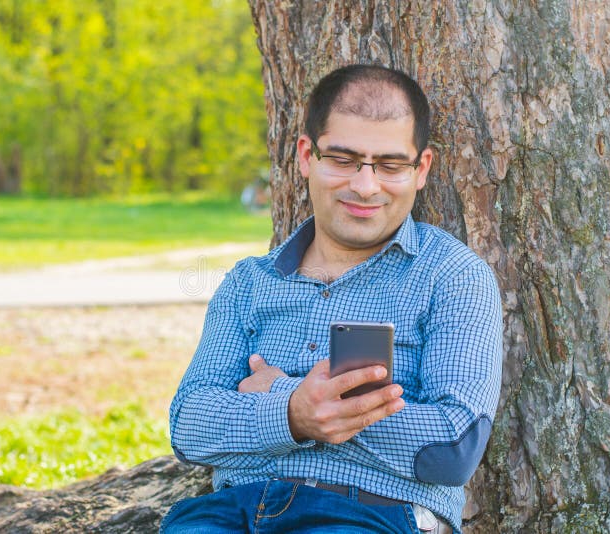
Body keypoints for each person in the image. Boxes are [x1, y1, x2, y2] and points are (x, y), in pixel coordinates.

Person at [162, 64, 503, 534]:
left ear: (420, 169)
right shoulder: (249, 283)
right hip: (229, 513)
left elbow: (453, 449)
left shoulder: (451, 276)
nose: (365, 186)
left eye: (390, 164)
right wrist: (293, 415)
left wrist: (287, 399)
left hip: (370, 515)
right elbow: (188, 426)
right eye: (343, 160)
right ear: (307, 155)